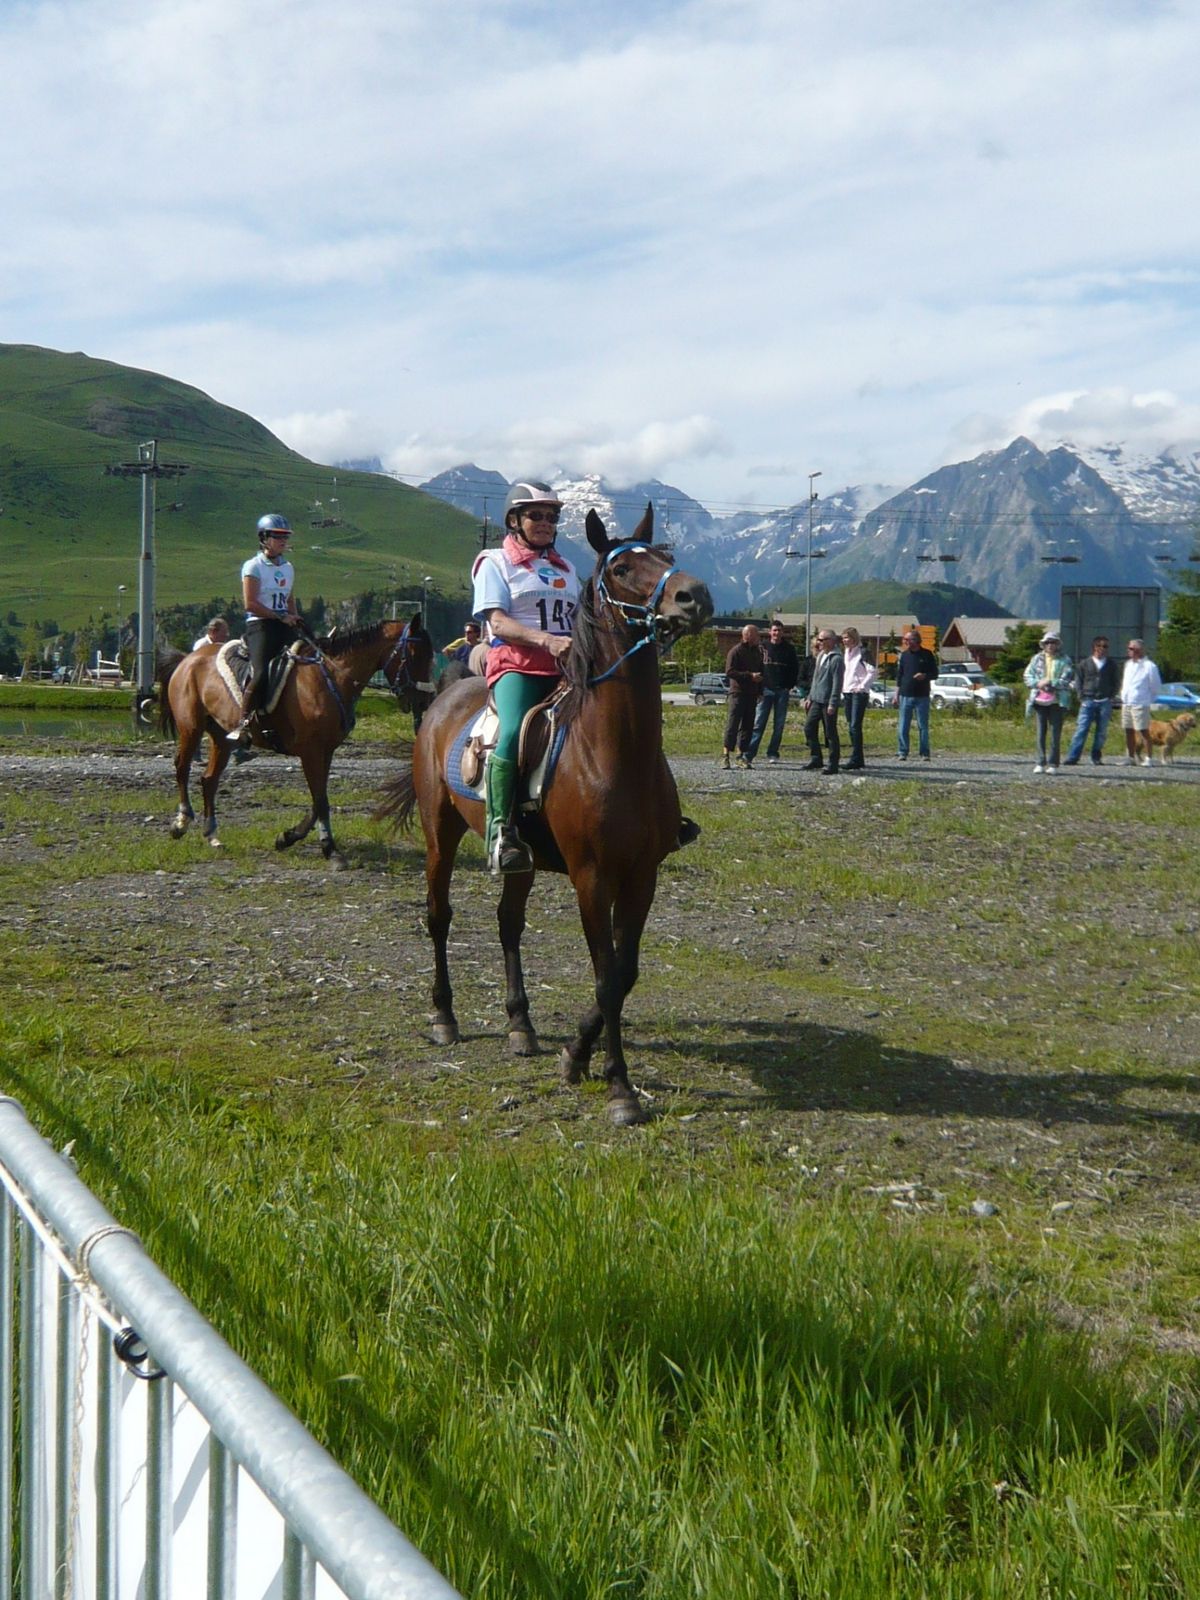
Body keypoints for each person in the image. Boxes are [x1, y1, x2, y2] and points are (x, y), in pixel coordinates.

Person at [472, 481, 580, 873]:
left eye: (552, 516)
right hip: (519, 664)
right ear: (514, 519)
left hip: (569, 667)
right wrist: (545, 641)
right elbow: (497, 622)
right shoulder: (494, 562)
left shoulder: (566, 569)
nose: (546, 522)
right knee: (515, 729)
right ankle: (501, 832)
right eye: (536, 514)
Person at [228, 514, 303, 742]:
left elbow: (289, 598)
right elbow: (250, 603)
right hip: (260, 625)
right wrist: (279, 617)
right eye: (277, 537)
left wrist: (294, 617)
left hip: (283, 622)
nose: (283, 541)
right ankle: (243, 723)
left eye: (285, 537)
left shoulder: (288, 567)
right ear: (264, 538)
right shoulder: (253, 566)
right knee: (260, 672)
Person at [745, 620, 799, 764]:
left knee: (779, 725)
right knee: (758, 723)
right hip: (765, 690)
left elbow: (795, 669)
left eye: (779, 630)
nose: (777, 633)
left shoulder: (789, 649)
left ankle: (773, 752)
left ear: (783, 632)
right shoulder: (761, 647)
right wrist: (757, 687)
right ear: (770, 632)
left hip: (782, 690)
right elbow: (754, 665)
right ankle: (749, 754)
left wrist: (789, 685)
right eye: (774, 630)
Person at [1022, 630, 1073, 774]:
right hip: (1039, 700)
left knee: (1055, 733)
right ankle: (1040, 762)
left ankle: (1053, 764)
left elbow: (1067, 679)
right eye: (1047, 642)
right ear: (1043, 645)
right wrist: (1039, 683)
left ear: (1058, 644)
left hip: (1058, 701)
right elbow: (1027, 676)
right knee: (1040, 733)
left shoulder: (1065, 660)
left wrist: (1051, 683)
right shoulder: (1036, 659)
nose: (1050, 645)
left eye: (1053, 642)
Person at [1064, 635, 1118, 766]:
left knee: (1101, 732)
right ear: (1094, 647)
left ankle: (1096, 756)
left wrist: (1111, 696)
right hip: (1088, 699)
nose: (1102, 648)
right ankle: (1073, 756)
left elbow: (1116, 681)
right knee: (1081, 729)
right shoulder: (1084, 663)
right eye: (1099, 646)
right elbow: (1078, 681)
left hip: (1104, 701)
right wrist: (1080, 696)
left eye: (1105, 646)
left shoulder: (1111, 664)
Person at [721, 624, 763, 769]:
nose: (759, 637)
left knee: (747, 726)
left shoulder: (758, 652)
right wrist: (749, 675)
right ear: (748, 635)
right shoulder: (736, 651)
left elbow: (761, 672)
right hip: (737, 693)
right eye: (757, 634)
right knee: (732, 724)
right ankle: (725, 755)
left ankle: (741, 755)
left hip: (752, 695)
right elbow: (730, 671)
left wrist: (760, 691)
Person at [893, 629, 938, 760]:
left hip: (922, 695)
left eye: (908, 639)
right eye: (904, 639)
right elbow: (899, 676)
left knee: (923, 725)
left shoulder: (927, 654)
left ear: (916, 640)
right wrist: (896, 694)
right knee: (903, 725)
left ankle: (924, 752)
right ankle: (902, 751)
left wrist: (924, 676)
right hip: (905, 695)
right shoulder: (904, 655)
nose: (905, 642)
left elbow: (935, 674)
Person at [803, 628, 844, 774]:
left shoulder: (837, 659)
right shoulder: (821, 655)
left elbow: (837, 683)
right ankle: (816, 758)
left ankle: (833, 764)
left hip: (827, 702)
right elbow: (816, 679)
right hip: (816, 699)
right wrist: (810, 697)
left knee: (830, 733)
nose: (819, 642)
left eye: (822, 640)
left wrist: (833, 702)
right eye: (819, 639)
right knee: (808, 727)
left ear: (831, 641)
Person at [1120, 638, 1164, 768]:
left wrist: (1148, 700)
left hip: (1141, 703)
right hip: (1127, 702)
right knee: (1128, 730)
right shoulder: (1128, 664)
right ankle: (1130, 757)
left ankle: (1148, 758)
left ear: (1140, 650)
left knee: (1143, 730)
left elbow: (1155, 686)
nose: (1130, 651)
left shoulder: (1149, 666)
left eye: (1133, 649)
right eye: (1129, 648)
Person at [839, 625, 874, 770]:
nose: (844, 641)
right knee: (850, 725)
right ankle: (858, 756)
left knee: (855, 725)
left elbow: (872, 671)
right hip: (847, 692)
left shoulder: (863, 652)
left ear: (854, 638)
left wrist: (862, 686)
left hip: (858, 694)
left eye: (846, 638)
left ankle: (856, 757)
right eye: (843, 638)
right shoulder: (846, 653)